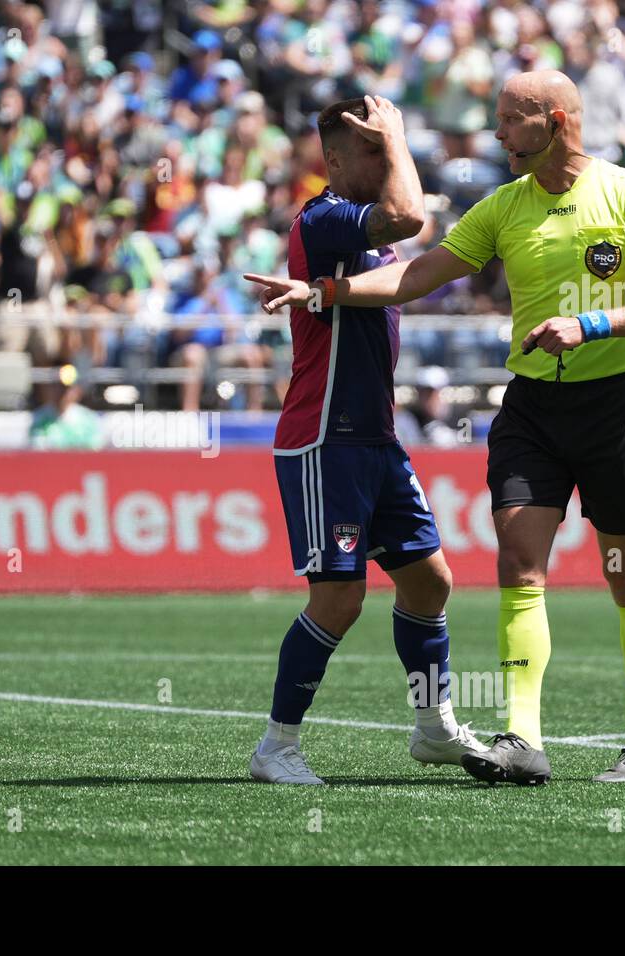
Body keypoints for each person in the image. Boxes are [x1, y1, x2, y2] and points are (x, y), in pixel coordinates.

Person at [247, 71, 625, 786]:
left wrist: (592, 323)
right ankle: (516, 735)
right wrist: (322, 291)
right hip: (491, 417)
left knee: (472, 583)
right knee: (502, 566)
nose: (495, 134)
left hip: (610, 407)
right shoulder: (471, 210)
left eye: (509, 120)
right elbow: (418, 268)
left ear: (553, 121)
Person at [249, 96, 486, 787]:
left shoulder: (364, 240)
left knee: (428, 581)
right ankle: (276, 748)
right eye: (372, 152)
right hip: (325, 438)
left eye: (387, 152)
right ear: (335, 161)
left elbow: (412, 241)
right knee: (339, 600)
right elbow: (414, 216)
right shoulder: (326, 220)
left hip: (373, 440)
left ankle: (433, 726)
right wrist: (403, 138)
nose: (386, 163)